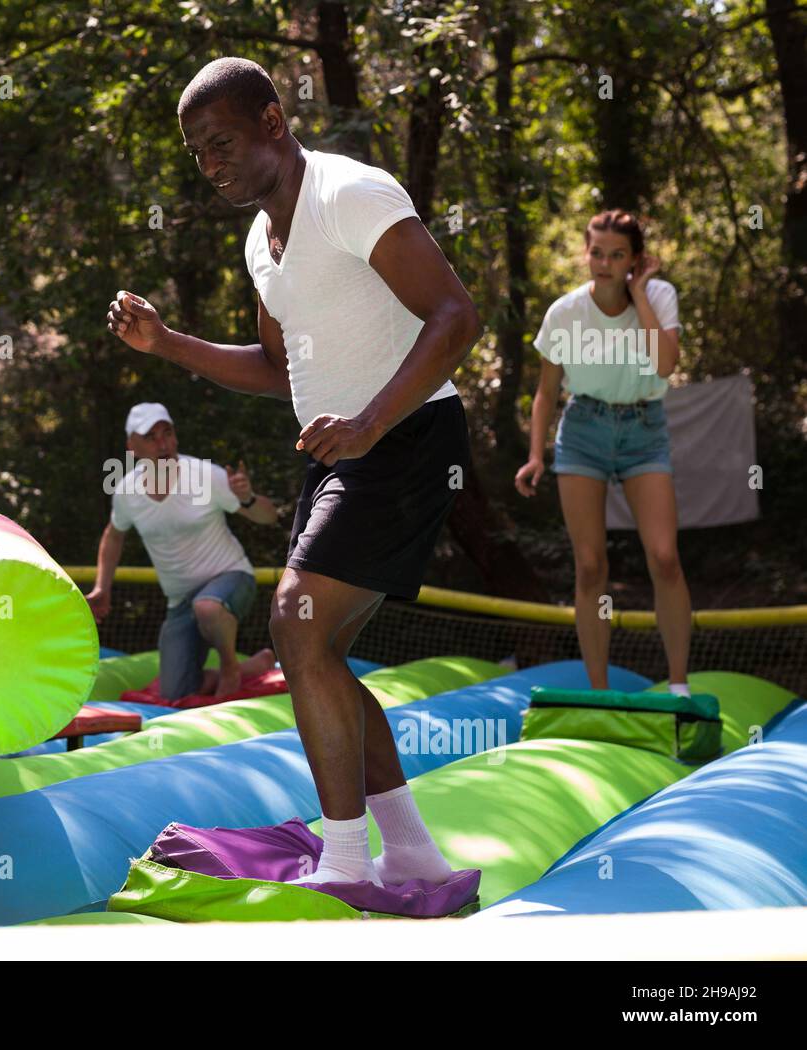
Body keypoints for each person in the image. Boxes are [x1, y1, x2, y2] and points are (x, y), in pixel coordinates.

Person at [105, 57, 480, 890]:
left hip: (407, 436)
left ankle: (347, 862)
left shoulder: (350, 194)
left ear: (272, 121)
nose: (212, 165)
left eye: (222, 142)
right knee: (324, 649)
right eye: (198, 154)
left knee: (297, 624)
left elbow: (458, 317)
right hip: (340, 451)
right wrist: (168, 344)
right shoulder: (258, 243)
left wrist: (369, 422)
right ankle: (409, 851)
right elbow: (280, 371)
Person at [515, 209, 691, 695]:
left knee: (665, 556)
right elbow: (546, 394)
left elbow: (665, 365)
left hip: (643, 430)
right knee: (591, 566)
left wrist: (639, 295)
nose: (604, 263)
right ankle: (598, 692)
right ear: (585, 254)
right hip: (585, 430)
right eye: (596, 253)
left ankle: (679, 686)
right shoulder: (565, 312)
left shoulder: (658, 296)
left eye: (617, 255)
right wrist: (535, 455)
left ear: (636, 260)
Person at [86, 402, 278, 699]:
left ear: (175, 437)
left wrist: (249, 498)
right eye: (151, 437)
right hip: (181, 602)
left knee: (208, 606)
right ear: (132, 446)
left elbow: (269, 517)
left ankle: (229, 668)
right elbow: (113, 536)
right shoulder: (126, 491)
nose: (162, 444)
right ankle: (253, 666)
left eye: (168, 433)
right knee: (175, 694)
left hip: (233, 578)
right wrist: (103, 587)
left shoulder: (205, 475)